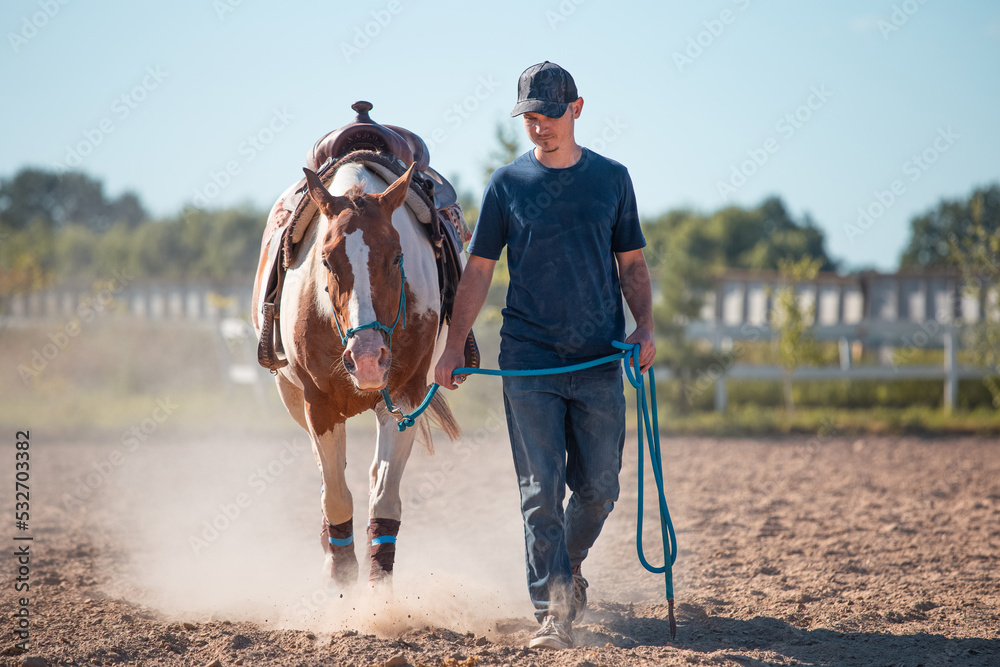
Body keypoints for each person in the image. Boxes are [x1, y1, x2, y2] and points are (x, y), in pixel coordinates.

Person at [434, 61, 655, 650]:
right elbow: (478, 272)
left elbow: (631, 264)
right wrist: (455, 343)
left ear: (577, 109)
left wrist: (646, 327)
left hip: (599, 361)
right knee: (540, 495)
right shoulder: (507, 185)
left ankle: (568, 569)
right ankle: (554, 614)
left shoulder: (613, 179)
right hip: (528, 361)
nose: (540, 127)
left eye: (550, 115)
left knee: (599, 489)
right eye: (530, 117)